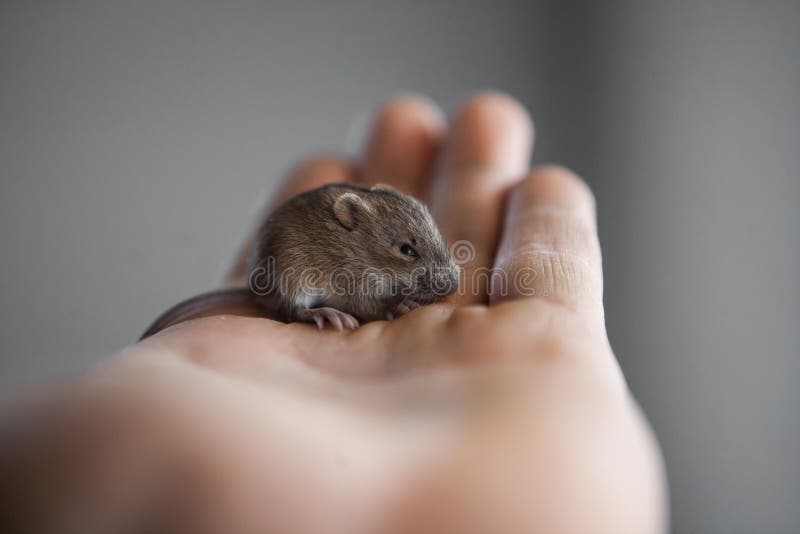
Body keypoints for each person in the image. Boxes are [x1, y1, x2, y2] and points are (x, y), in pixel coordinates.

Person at [0, 93, 666, 533]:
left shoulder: (381, 239)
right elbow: (361, 291)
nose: (434, 270)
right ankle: (303, 308)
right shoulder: (328, 246)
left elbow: (384, 295)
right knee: (306, 287)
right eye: (407, 252)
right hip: (298, 287)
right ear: (355, 226)